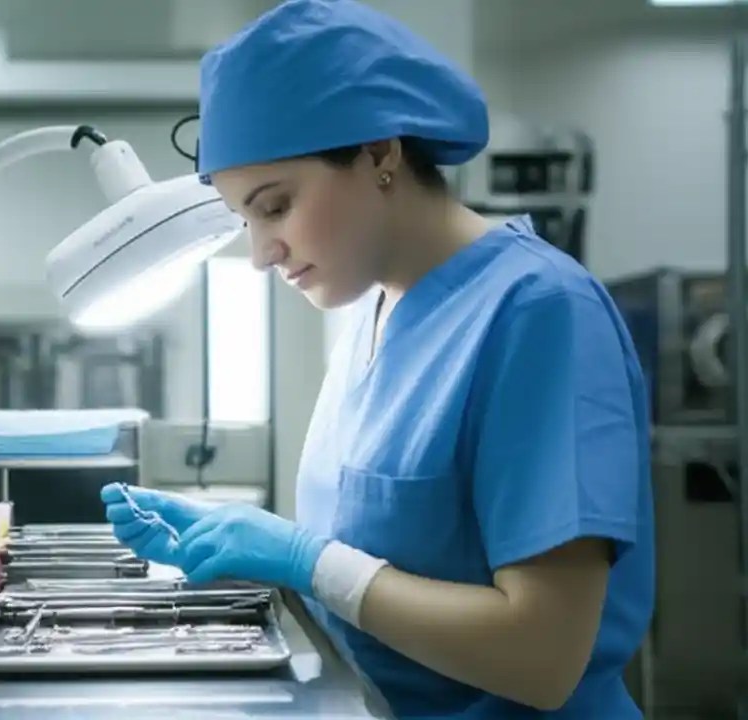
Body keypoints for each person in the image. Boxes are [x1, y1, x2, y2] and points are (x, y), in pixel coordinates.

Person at [100, 1, 654, 717]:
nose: (261, 254)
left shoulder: (540, 312)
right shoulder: (372, 313)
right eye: (244, 221)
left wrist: (305, 559)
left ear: (379, 154)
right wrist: (244, 549)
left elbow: (543, 656)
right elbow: (383, 579)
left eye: (275, 206)